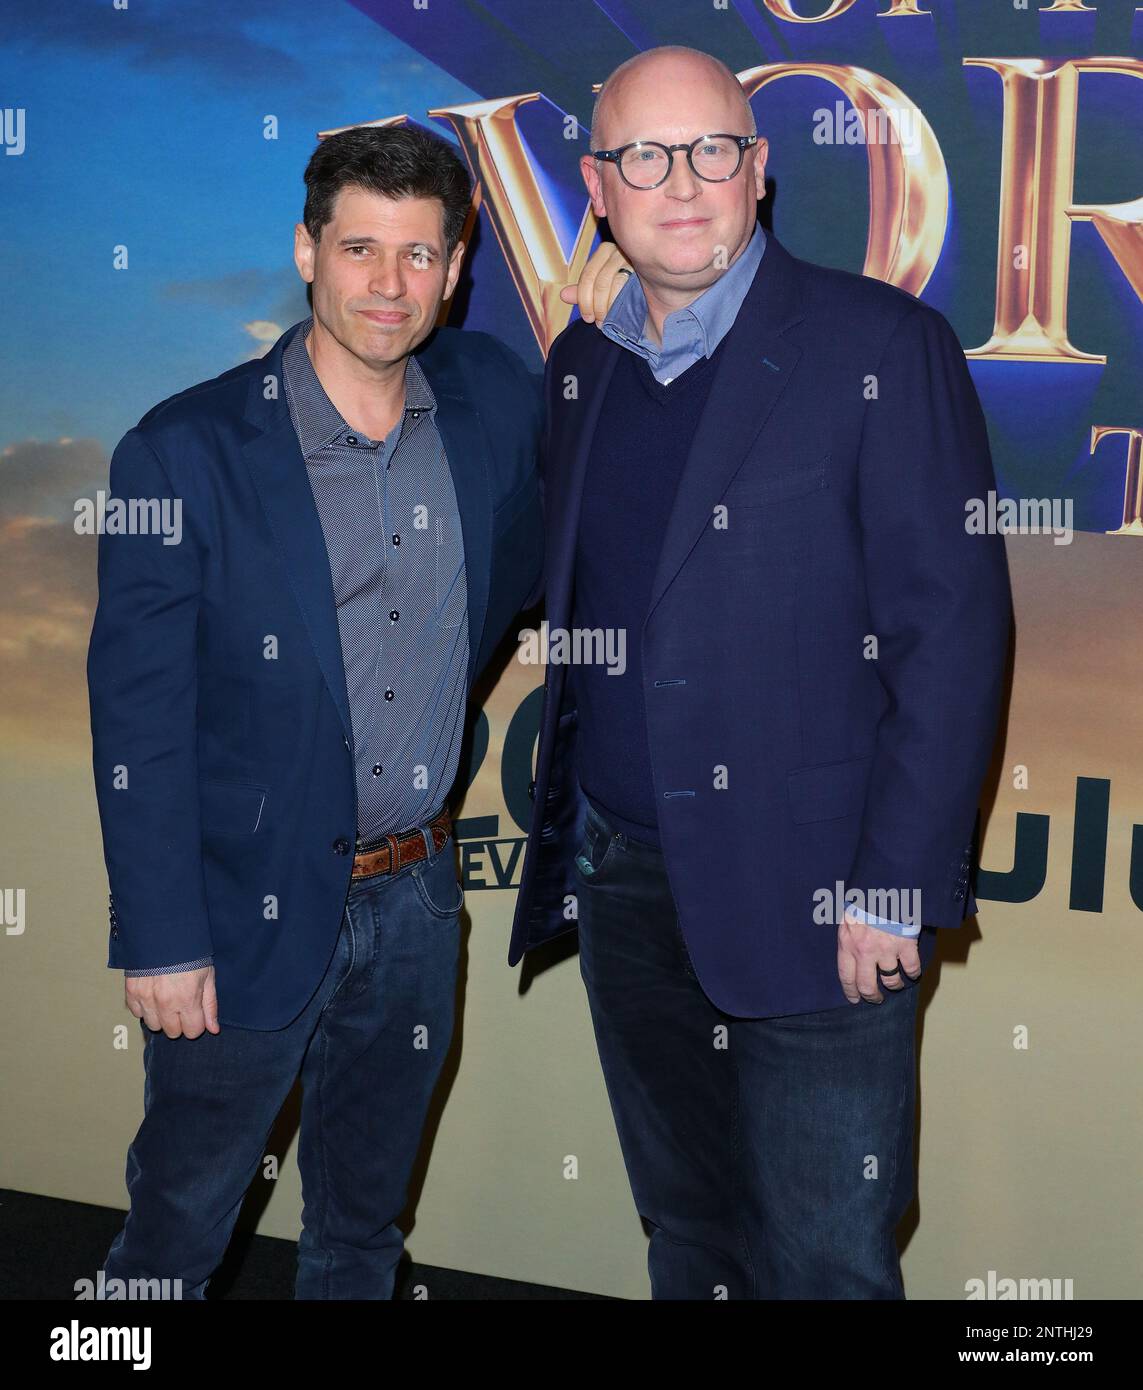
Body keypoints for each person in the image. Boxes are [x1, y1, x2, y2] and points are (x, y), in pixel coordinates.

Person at [87, 122, 627, 1300]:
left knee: (362, 1234)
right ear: (307, 250)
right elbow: (137, 723)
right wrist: (162, 937)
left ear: (459, 263)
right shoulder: (183, 451)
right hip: (236, 914)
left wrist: (598, 351)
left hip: (420, 901)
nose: (389, 285)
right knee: (170, 1242)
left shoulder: (491, 399)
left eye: (420, 255)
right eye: (361, 249)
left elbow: (565, 537)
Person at [510, 46, 1012, 1299]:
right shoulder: (581, 369)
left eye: (713, 150)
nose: (682, 182)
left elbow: (953, 636)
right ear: (597, 185)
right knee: (690, 1233)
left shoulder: (883, 346)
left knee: (823, 1258)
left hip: (820, 902)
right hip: (626, 883)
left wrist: (894, 887)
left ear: (761, 169)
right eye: (644, 155)